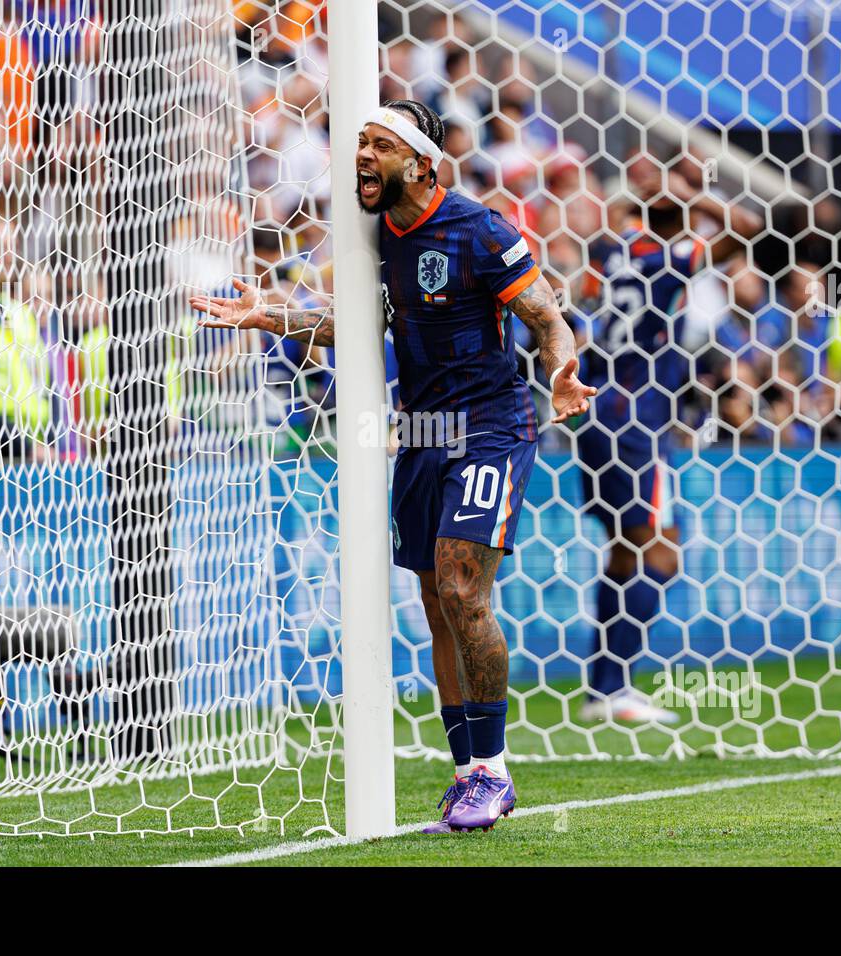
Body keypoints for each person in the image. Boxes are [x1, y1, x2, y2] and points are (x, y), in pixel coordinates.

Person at [190, 100, 595, 834]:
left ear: (418, 160)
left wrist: (561, 370)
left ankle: (495, 773)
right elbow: (352, 323)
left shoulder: (477, 229)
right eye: (358, 144)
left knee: (461, 582)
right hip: (420, 433)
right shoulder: (372, 237)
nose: (362, 156)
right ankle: (466, 769)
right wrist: (268, 315)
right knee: (438, 605)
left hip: (491, 430)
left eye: (379, 144)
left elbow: (547, 317)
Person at [577, 157, 762, 724]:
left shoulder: (609, 254)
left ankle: (601, 689)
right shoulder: (673, 257)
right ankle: (614, 689)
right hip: (637, 422)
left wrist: (657, 197)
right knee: (662, 552)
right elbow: (749, 228)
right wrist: (687, 192)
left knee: (623, 553)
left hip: (594, 415)